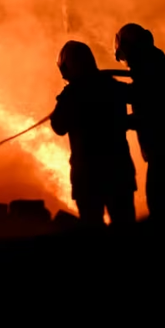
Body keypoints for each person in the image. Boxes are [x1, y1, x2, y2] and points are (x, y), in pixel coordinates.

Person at [114, 23, 165, 222]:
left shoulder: (154, 71)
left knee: (161, 201)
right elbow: (141, 96)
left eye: (124, 55)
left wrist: (121, 118)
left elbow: (152, 108)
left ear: (131, 49)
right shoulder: (155, 67)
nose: (126, 62)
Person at [51, 40, 137, 227]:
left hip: (87, 176)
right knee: (125, 228)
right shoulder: (113, 86)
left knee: (92, 231)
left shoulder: (72, 95)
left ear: (67, 66)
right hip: (119, 170)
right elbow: (143, 98)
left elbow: (58, 127)